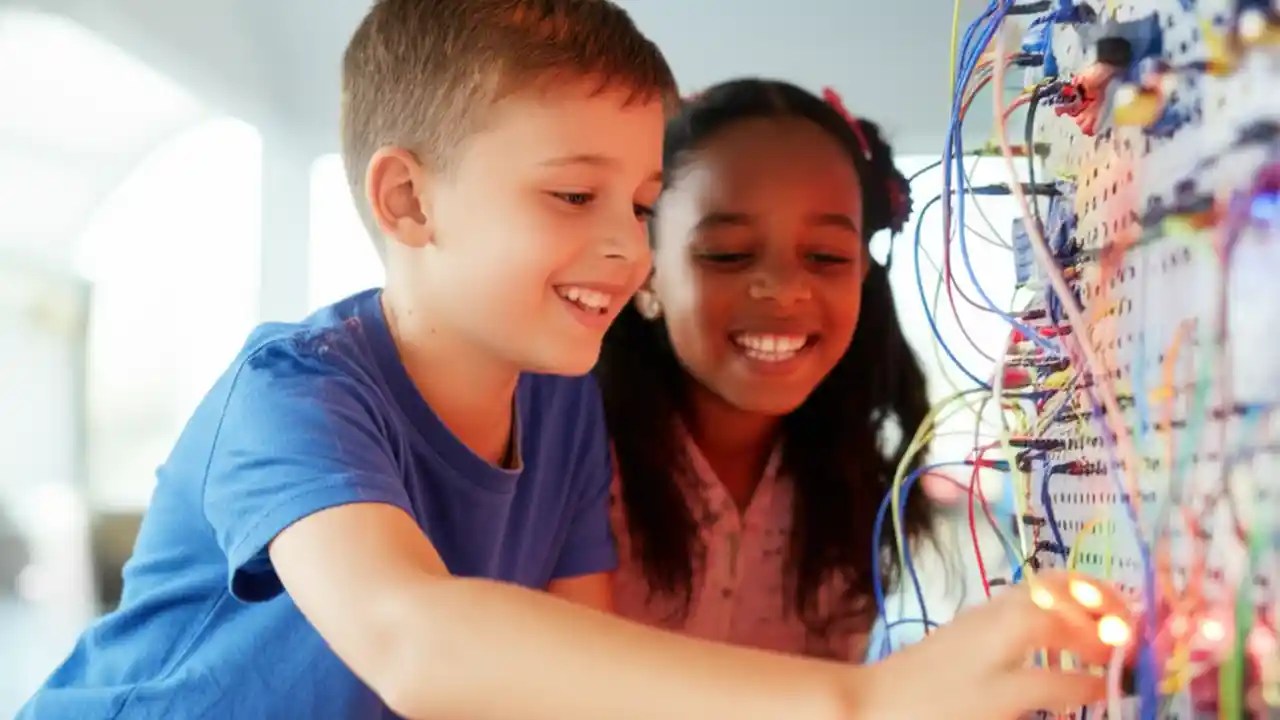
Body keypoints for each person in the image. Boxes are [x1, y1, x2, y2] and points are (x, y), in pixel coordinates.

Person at [21, 2, 1132, 719]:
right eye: (570, 195)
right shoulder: (295, 393)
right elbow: (414, 641)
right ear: (407, 200)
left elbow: (572, 687)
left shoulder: (559, 406)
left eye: (642, 203)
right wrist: (865, 702)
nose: (621, 242)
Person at [597, 78, 933, 661]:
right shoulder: (567, 458)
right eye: (728, 254)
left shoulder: (856, 488)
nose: (783, 290)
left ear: (860, 275)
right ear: (645, 275)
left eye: (825, 257)